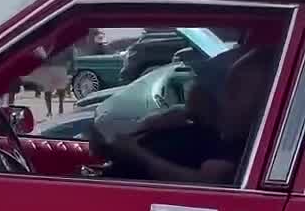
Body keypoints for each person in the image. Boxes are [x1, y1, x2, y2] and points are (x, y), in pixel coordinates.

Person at [93, 46, 274, 185]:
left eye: (235, 91)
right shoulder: (203, 129)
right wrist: (148, 126)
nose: (223, 98)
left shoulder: (243, 147)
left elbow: (205, 184)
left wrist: (138, 155)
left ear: (261, 102)